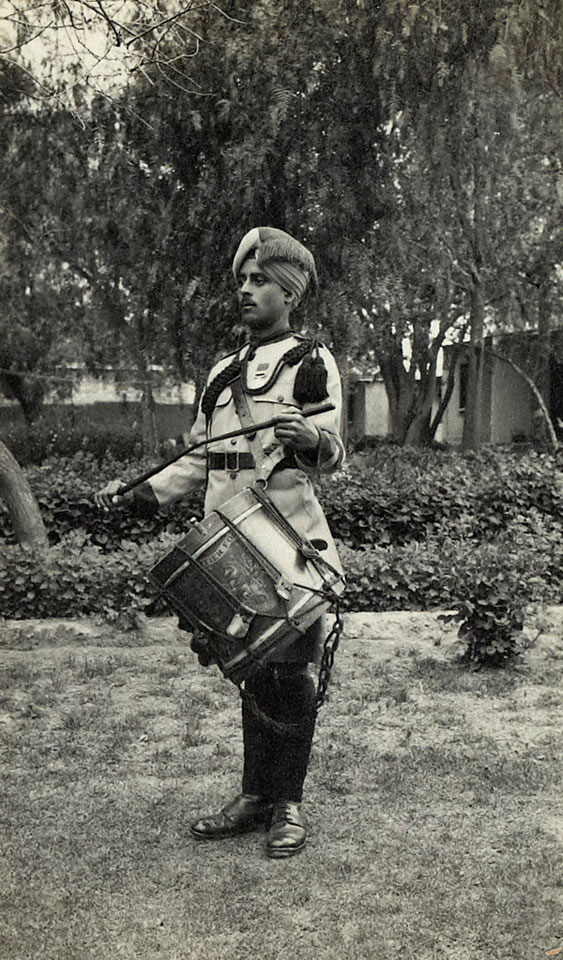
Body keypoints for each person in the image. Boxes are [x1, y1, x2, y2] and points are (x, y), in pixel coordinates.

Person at [95, 226, 344, 858]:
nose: (246, 290)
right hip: (227, 553)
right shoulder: (222, 371)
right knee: (253, 676)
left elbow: (333, 453)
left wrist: (309, 438)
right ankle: (254, 796)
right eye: (243, 280)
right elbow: (200, 461)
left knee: (292, 678)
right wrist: (138, 491)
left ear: (288, 292)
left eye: (260, 281)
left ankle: (287, 803)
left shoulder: (312, 362)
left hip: (289, 549)